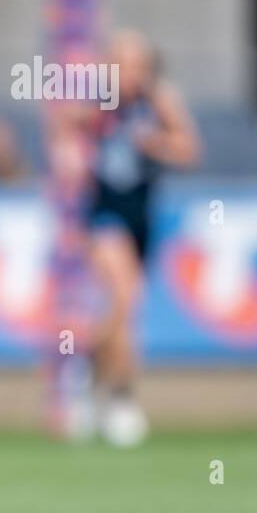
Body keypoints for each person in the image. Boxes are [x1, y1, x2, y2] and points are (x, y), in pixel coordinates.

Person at [82, 30, 200, 445]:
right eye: (120, 64)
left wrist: (156, 143)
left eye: (135, 66)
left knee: (125, 312)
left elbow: (189, 149)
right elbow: (67, 126)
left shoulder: (158, 101)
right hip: (104, 213)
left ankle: (95, 375)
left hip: (142, 216)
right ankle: (120, 398)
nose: (128, 73)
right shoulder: (98, 100)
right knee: (125, 293)